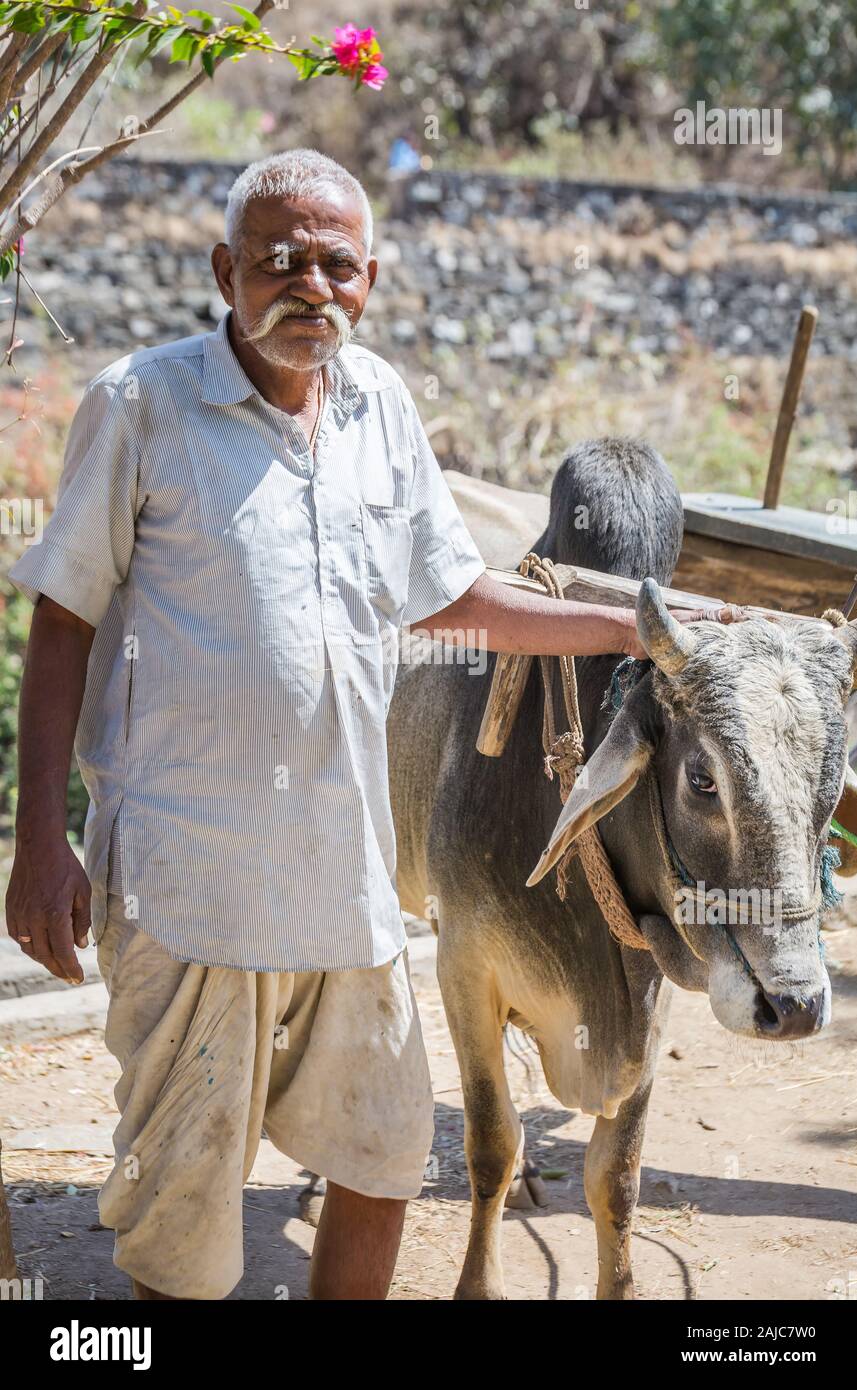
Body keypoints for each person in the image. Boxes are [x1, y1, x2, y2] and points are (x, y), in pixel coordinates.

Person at [6, 148, 713, 1301]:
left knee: (384, 1158)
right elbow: (65, 615)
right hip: (195, 887)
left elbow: (447, 594)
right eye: (279, 261)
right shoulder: (142, 404)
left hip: (350, 882)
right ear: (222, 268)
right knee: (183, 1219)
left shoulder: (379, 401)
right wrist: (41, 837)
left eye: (336, 264)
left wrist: (628, 627)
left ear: (370, 278)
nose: (309, 286)